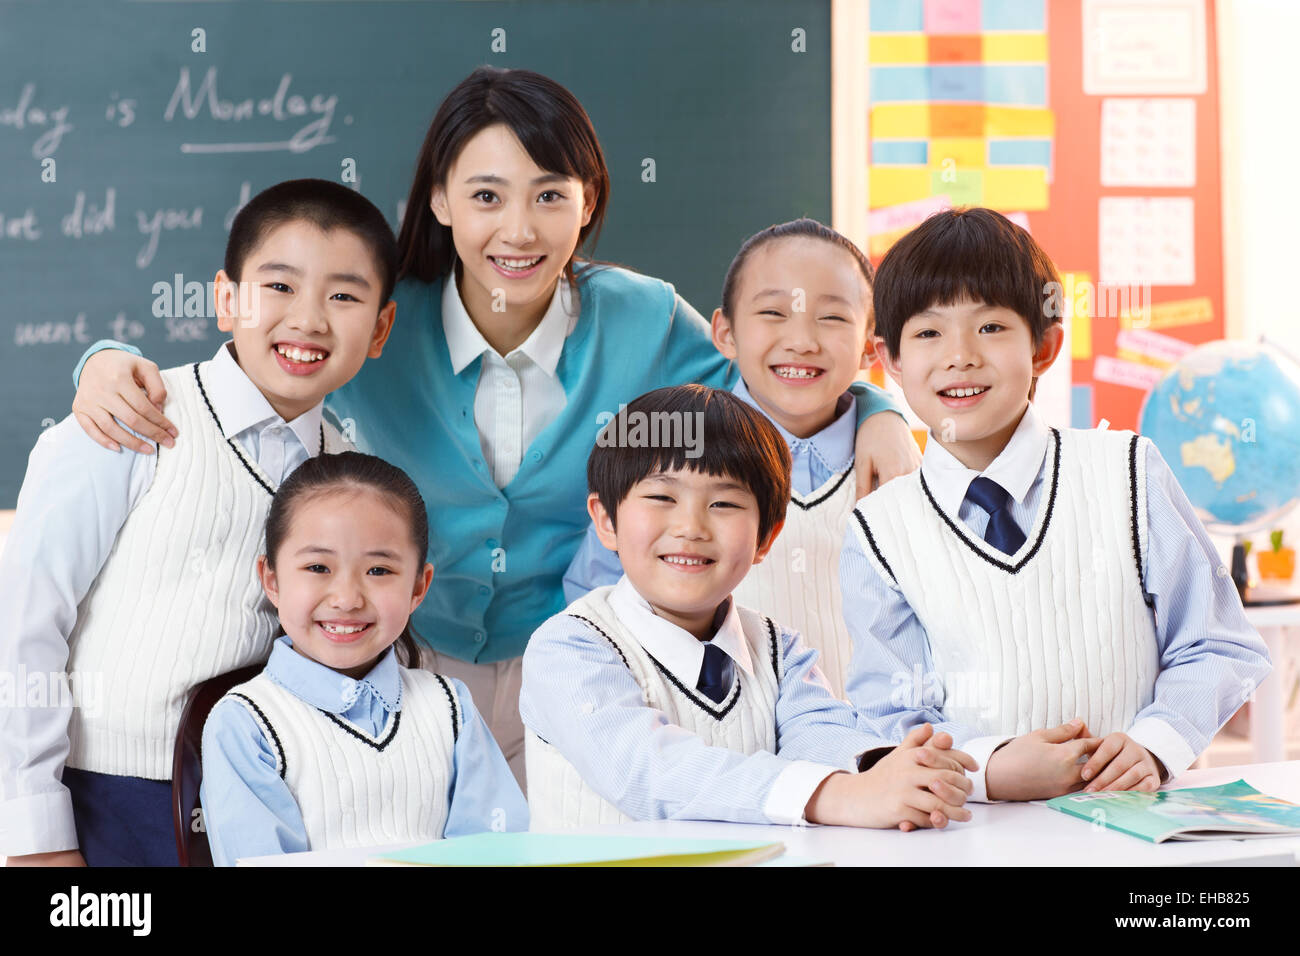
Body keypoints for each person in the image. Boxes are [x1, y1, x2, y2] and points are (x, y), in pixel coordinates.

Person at [65, 67, 921, 785]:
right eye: (485, 195)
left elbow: (775, 379)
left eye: (551, 195)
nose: (519, 230)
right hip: (394, 667)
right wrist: (100, 359)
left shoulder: (644, 319)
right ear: (439, 200)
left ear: (588, 204)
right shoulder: (375, 317)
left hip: (588, 665)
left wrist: (880, 409)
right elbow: (251, 354)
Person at [0, 180, 399, 865]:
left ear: (381, 329)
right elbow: (23, 626)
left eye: (343, 295)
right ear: (225, 300)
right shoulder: (127, 420)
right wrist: (33, 833)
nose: (308, 320)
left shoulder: (356, 474)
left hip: (273, 812)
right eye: (278, 286)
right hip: (108, 804)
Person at [842, 207, 1272, 802]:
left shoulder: (1125, 472)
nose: (959, 355)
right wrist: (988, 768)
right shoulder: (879, 530)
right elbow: (891, 710)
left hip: (1138, 818)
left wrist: (1156, 742)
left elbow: (1218, 642)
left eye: (990, 327)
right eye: (928, 332)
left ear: (1044, 347)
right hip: (975, 835)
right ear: (890, 360)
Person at [521, 385, 975, 830]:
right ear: (606, 520)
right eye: (662, 497)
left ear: (766, 538)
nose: (690, 526)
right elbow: (648, 771)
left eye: (723, 503)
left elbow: (816, 733)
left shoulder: (778, 649)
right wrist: (839, 795)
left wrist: (887, 767)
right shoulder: (569, 648)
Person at [564, 218, 880, 699]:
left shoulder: (897, 468)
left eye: (833, 318)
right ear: (725, 333)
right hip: (706, 745)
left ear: (870, 346)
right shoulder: (659, 447)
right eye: (773, 313)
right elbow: (593, 608)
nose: (801, 341)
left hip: (874, 752)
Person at [200, 452, 526, 865]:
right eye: (318, 566)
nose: (347, 598)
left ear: (418, 587)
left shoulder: (450, 707)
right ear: (272, 579)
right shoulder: (245, 724)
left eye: (379, 571)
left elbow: (496, 852)